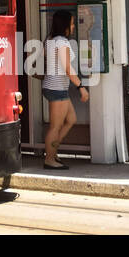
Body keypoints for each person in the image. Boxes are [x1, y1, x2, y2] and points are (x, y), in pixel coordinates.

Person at [41, 9, 87, 170]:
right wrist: (81, 87)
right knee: (55, 126)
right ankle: (49, 159)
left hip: (55, 87)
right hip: (57, 88)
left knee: (71, 120)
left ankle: (52, 151)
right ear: (65, 25)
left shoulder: (50, 39)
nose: (73, 26)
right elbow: (67, 67)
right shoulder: (61, 42)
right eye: (72, 23)